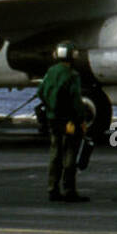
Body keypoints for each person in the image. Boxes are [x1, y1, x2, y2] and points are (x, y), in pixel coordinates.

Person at [37, 40, 88, 203]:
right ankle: (69, 189)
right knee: (70, 154)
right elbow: (76, 100)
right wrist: (81, 119)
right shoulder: (72, 75)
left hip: (53, 119)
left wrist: (50, 109)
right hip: (69, 121)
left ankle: (52, 189)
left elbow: (41, 92)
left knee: (55, 154)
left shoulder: (51, 72)